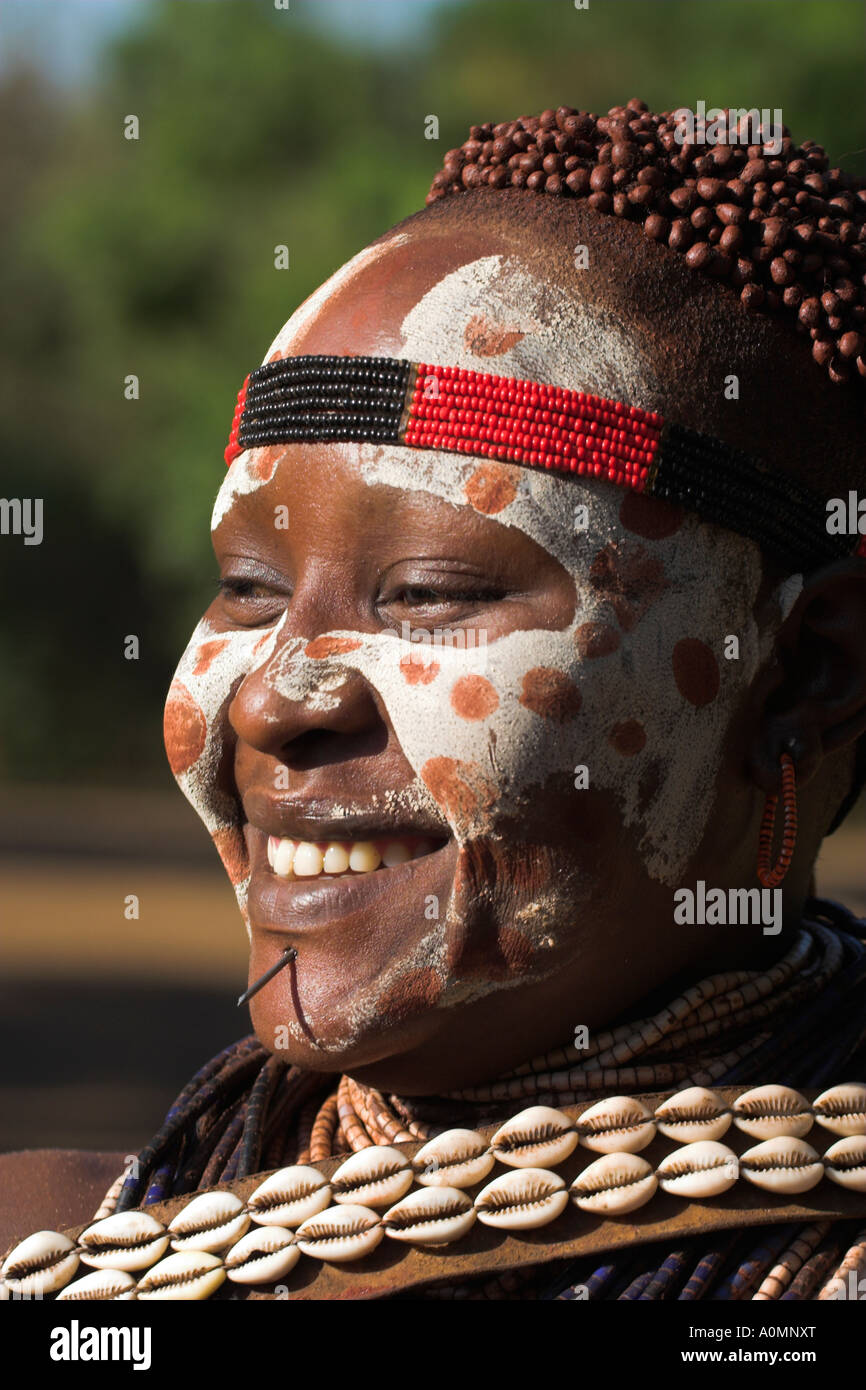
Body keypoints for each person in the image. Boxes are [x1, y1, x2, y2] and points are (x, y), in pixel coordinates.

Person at [2, 101, 865, 1301]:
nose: (271, 701)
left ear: (806, 673)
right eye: (247, 589)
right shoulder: (51, 1242)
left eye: (426, 591)